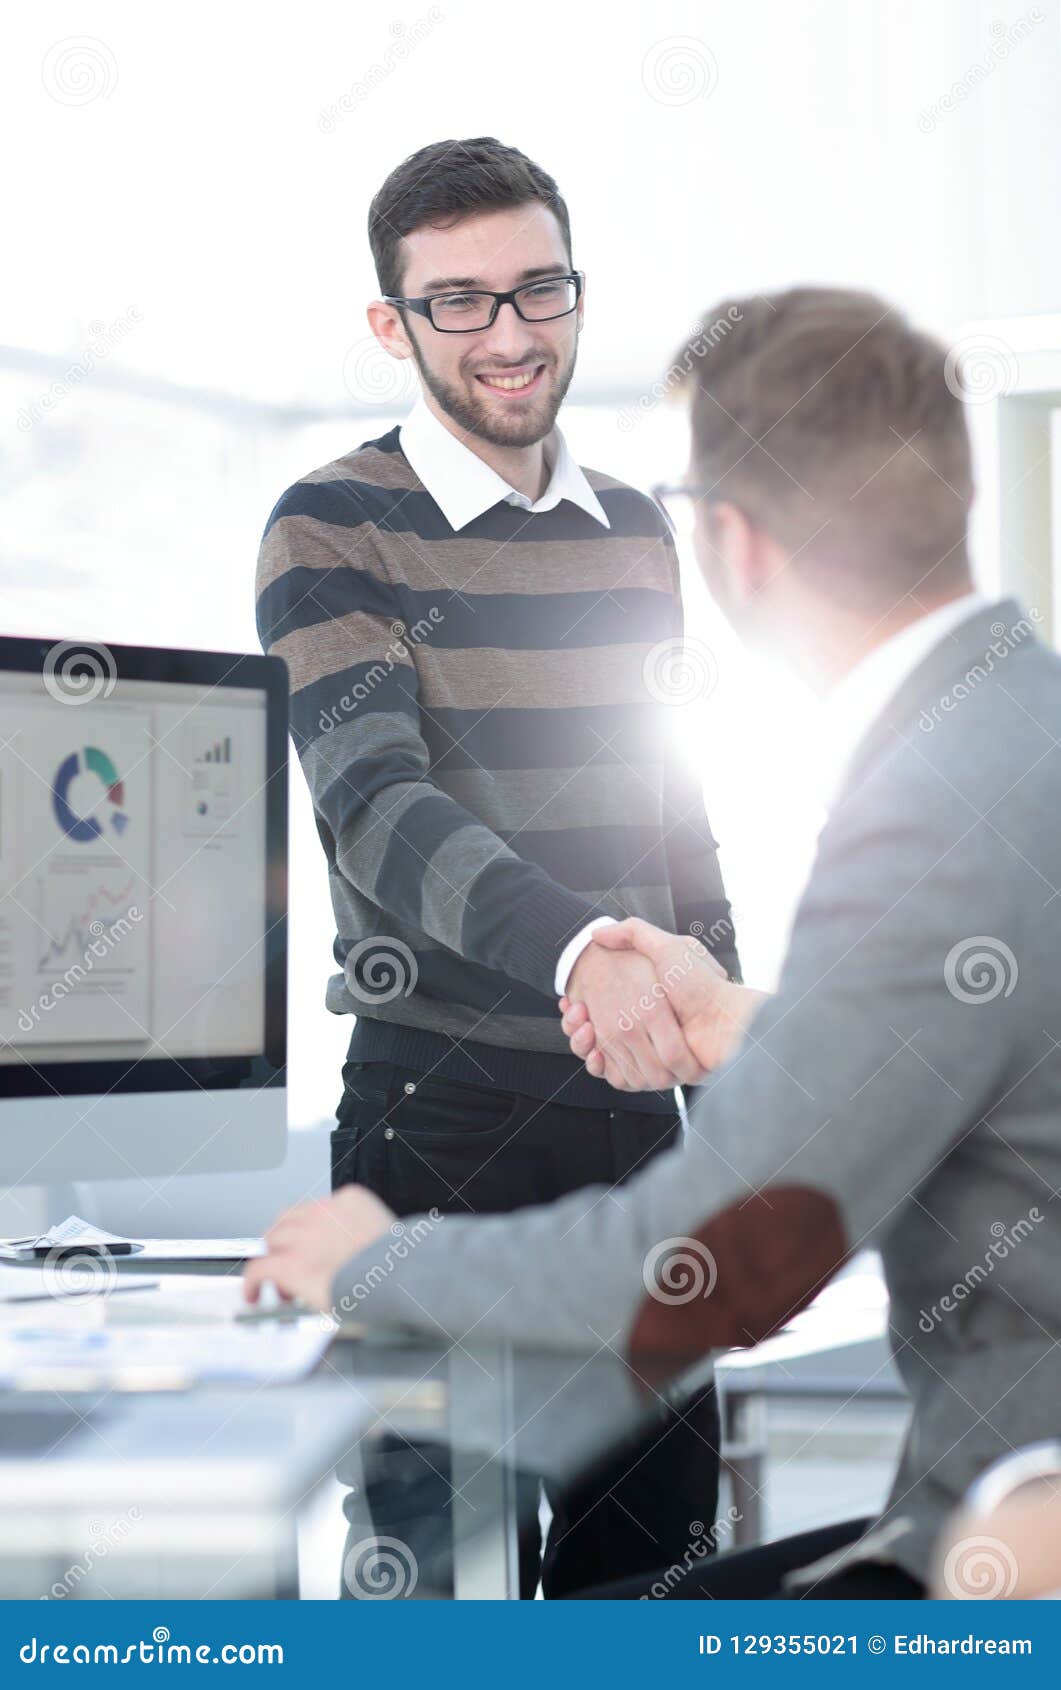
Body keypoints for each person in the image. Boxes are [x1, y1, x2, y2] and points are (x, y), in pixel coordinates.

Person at [249, 284, 1061, 1598]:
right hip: (449, 1102)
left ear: (730, 548)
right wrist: (733, 1017)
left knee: (587, 1619)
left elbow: (703, 1271)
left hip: (999, 1553)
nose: (507, 335)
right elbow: (989, 1056)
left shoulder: (928, 802)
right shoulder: (1014, 726)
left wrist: (371, 1258)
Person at [254, 136, 739, 1595]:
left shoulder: (637, 528)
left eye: (538, 289)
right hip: (435, 1122)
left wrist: (732, 1107)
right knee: (438, 1567)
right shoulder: (331, 523)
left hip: (636, 1134)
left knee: (646, 1569)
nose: (511, 333)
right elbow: (377, 806)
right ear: (390, 325)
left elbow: (673, 814)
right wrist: (585, 944)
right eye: (458, 302)